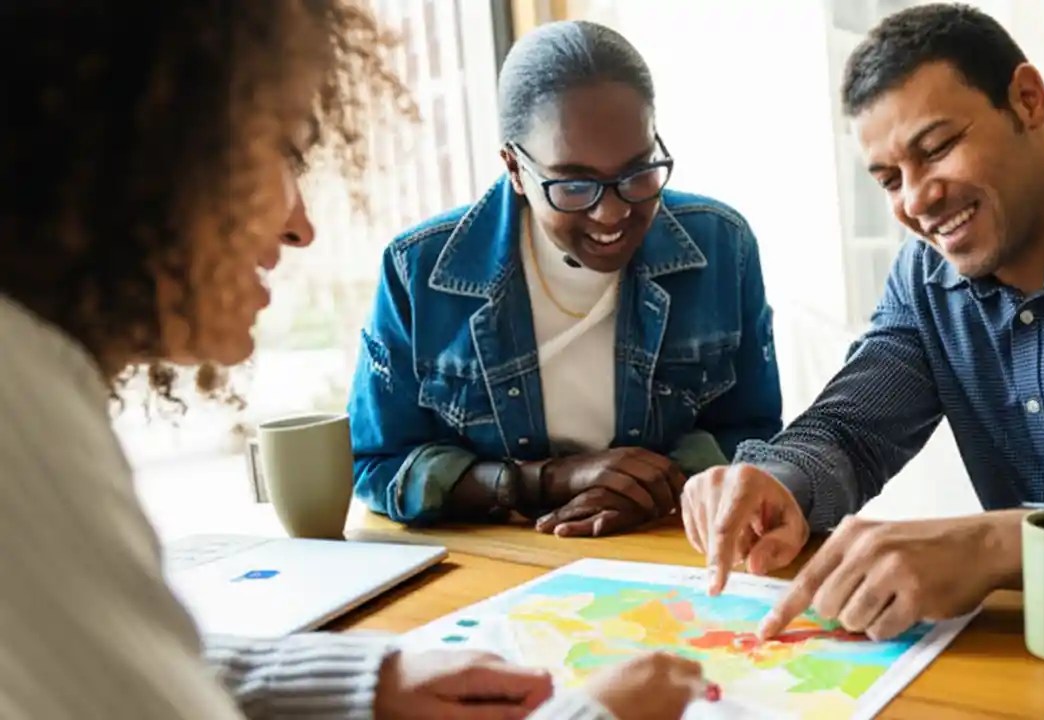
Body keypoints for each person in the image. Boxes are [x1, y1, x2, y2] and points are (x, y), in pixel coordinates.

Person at [0, 2, 705, 718]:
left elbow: (120, 658)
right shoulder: (21, 421)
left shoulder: (29, 377)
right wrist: (596, 712)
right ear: (136, 159)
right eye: (276, 150)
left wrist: (370, 680)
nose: (300, 225)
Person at [681, 2, 1044, 642]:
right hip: (1041, 660)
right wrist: (776, 481)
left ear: (1027, 101)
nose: (916, 200)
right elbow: (851, 429)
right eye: (889, 180)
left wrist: (992, 543)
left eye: (937, 149)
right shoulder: (924, 279)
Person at [348, 20, 782, 538]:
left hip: (664, 546)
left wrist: (645, 490)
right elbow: (378, 463)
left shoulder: (722, 246)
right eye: (574, 185)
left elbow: (754, 436)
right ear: (515, 168)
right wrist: (543, 481)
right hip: (504, 555)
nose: (611, 213)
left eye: (638, 172)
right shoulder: (419, 271)